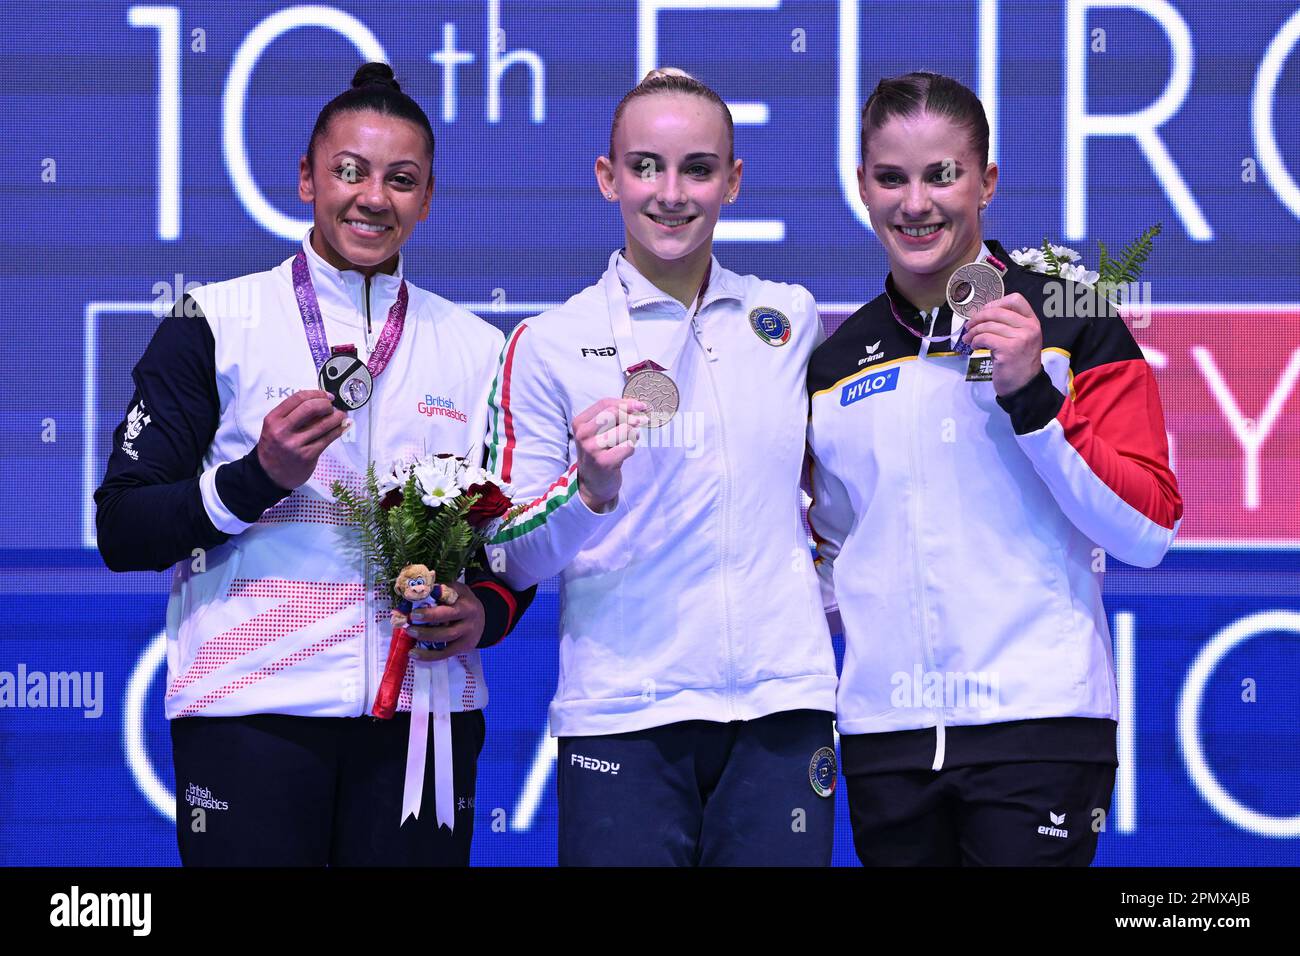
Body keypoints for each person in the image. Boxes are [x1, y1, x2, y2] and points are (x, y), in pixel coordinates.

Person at [95, 62, 534, 866]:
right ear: (305, 178)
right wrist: (253, 477)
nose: (374, 197)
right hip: (247, 714)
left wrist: (489, 613)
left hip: (421, 719)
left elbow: (516, 547)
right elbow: (122, 527)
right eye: (349, 171)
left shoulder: (478, 350)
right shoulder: (216, 321)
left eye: (402, 180)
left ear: (428, 199)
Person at [805, 71, 1182, 866]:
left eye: (942, 174)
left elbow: (1149, 527)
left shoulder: (1074, 319)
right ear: (862, 186)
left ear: (986, 181)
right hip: (887, 743)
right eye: (891, 177)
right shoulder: (836, 364)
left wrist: (1034, 399)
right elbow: (835, 556)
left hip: (1039, 733)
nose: (917, 203)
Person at [487, 69, 838, 866]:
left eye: (698, 168)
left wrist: (818, 595)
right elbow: (507, 551)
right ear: (607, 176)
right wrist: (591, 489)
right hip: (623, 716)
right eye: (645, 166)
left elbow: (838, 491)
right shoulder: (549, 343)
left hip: (783, 713)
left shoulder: (785, 319)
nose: (670, 192)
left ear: (733, 180)